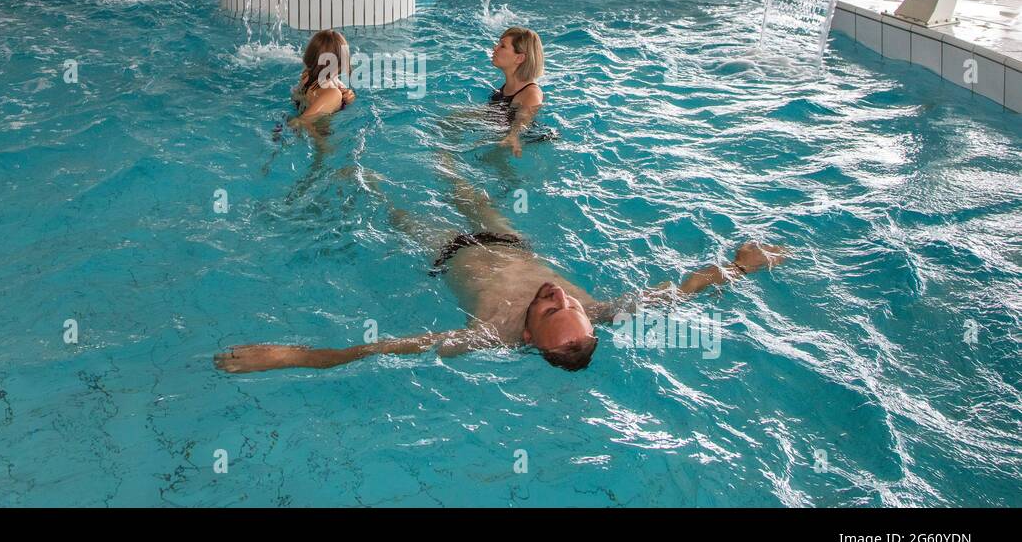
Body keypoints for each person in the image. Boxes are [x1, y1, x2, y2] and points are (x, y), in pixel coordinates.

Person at [215, 161, 786, 374]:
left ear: (529, 337)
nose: (557, 296)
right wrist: (740, 265)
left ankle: (360, 179)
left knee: (385, 206)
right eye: (567, 304)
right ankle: (440, 153)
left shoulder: (488, 336)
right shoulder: (599, 312)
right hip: (505, 238)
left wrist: (293, 355)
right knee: (453, 173)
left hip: (447, 249)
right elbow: (682, 292)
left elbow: (385, 348)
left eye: (549, 307)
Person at [490, 26, 545, 157]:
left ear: (519, 58)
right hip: (503, 134)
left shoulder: (531, 93)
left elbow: (523, 117)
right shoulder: (506, 87)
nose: (495, 48)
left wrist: (514, 135)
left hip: (529, 141)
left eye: (502, 46)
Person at [289, 29, 356, 129]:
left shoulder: (306, 76)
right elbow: (301, 121)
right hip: (318, 135)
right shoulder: (333, 93)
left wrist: (348, 96)